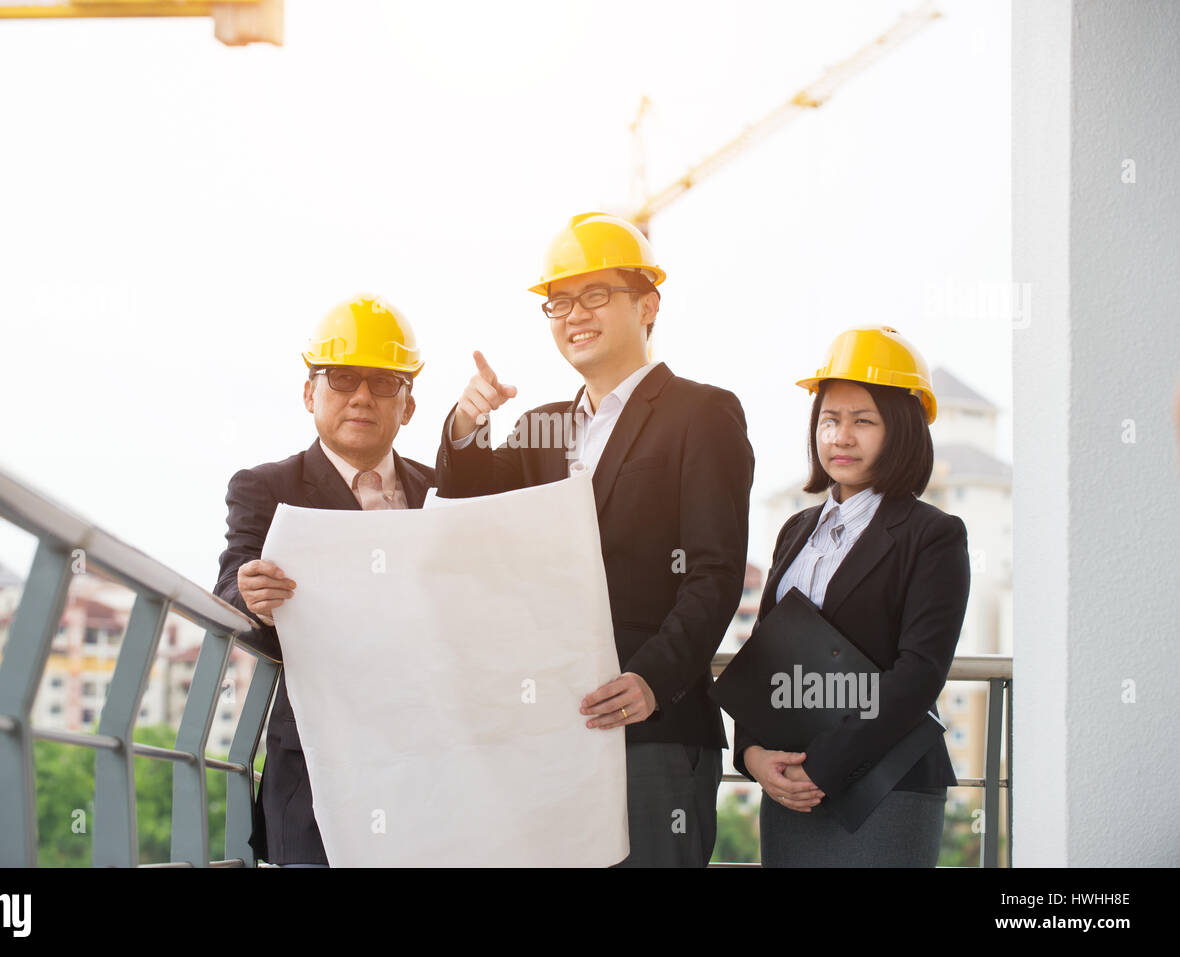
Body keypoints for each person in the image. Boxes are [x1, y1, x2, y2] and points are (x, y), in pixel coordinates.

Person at [436, 211, 754, 867]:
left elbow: (714, 574)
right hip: (550, 726)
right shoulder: (539, 428)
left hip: (653, 728)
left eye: (596, 295)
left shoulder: (701, 413)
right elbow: (465, 498)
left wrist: (652, 680)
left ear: (648, 304)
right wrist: (468, 420)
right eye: (558, 301)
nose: (573, 313)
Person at [731, 325, 969, 867]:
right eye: (830, 420)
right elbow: (765, 656)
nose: (840, 437)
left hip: (885, 785)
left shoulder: (932, 534)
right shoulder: (795, 530)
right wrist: (754, 753)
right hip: (790, 786)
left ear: (902, 430)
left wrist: (823, 765)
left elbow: (920, 672)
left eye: (863, 421)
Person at [213, 294, 435, 867]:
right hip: (314, 763)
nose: (362, 395)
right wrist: (253, 599)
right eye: (341, 377)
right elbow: (229, 592)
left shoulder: (442, 494)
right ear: (310, 392)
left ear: (408, 405)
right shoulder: (264, 488)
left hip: (430, 758)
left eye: (384, 382)